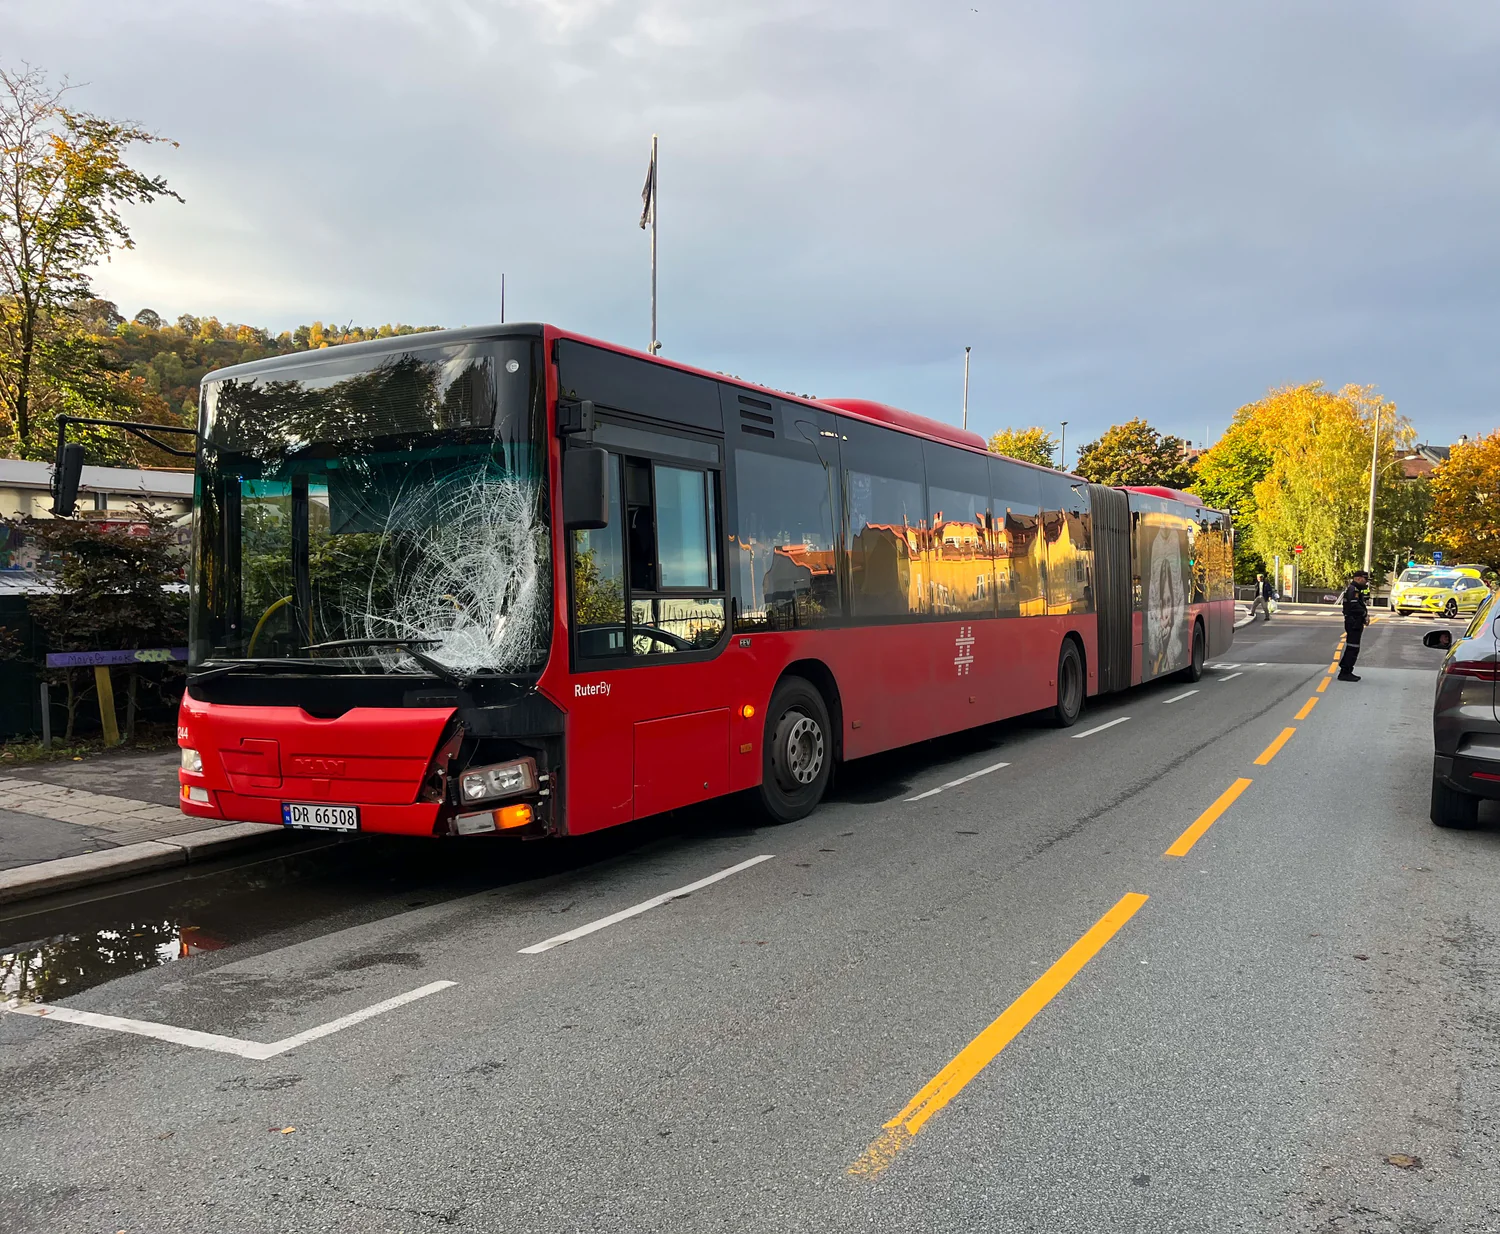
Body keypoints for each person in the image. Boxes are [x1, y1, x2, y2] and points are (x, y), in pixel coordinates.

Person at [1338, 569, 1371, 681]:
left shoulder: (1355, 589)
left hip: (1354, 621)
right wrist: (1364, 614)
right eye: (1365, 579)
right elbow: (1354, 606)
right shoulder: (1354, 590)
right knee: (1353, 647)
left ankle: (1346, 670)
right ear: (1358, 578)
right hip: (1353, 621)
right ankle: (1345, 671)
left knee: (1353, 647)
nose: (1366, 582)